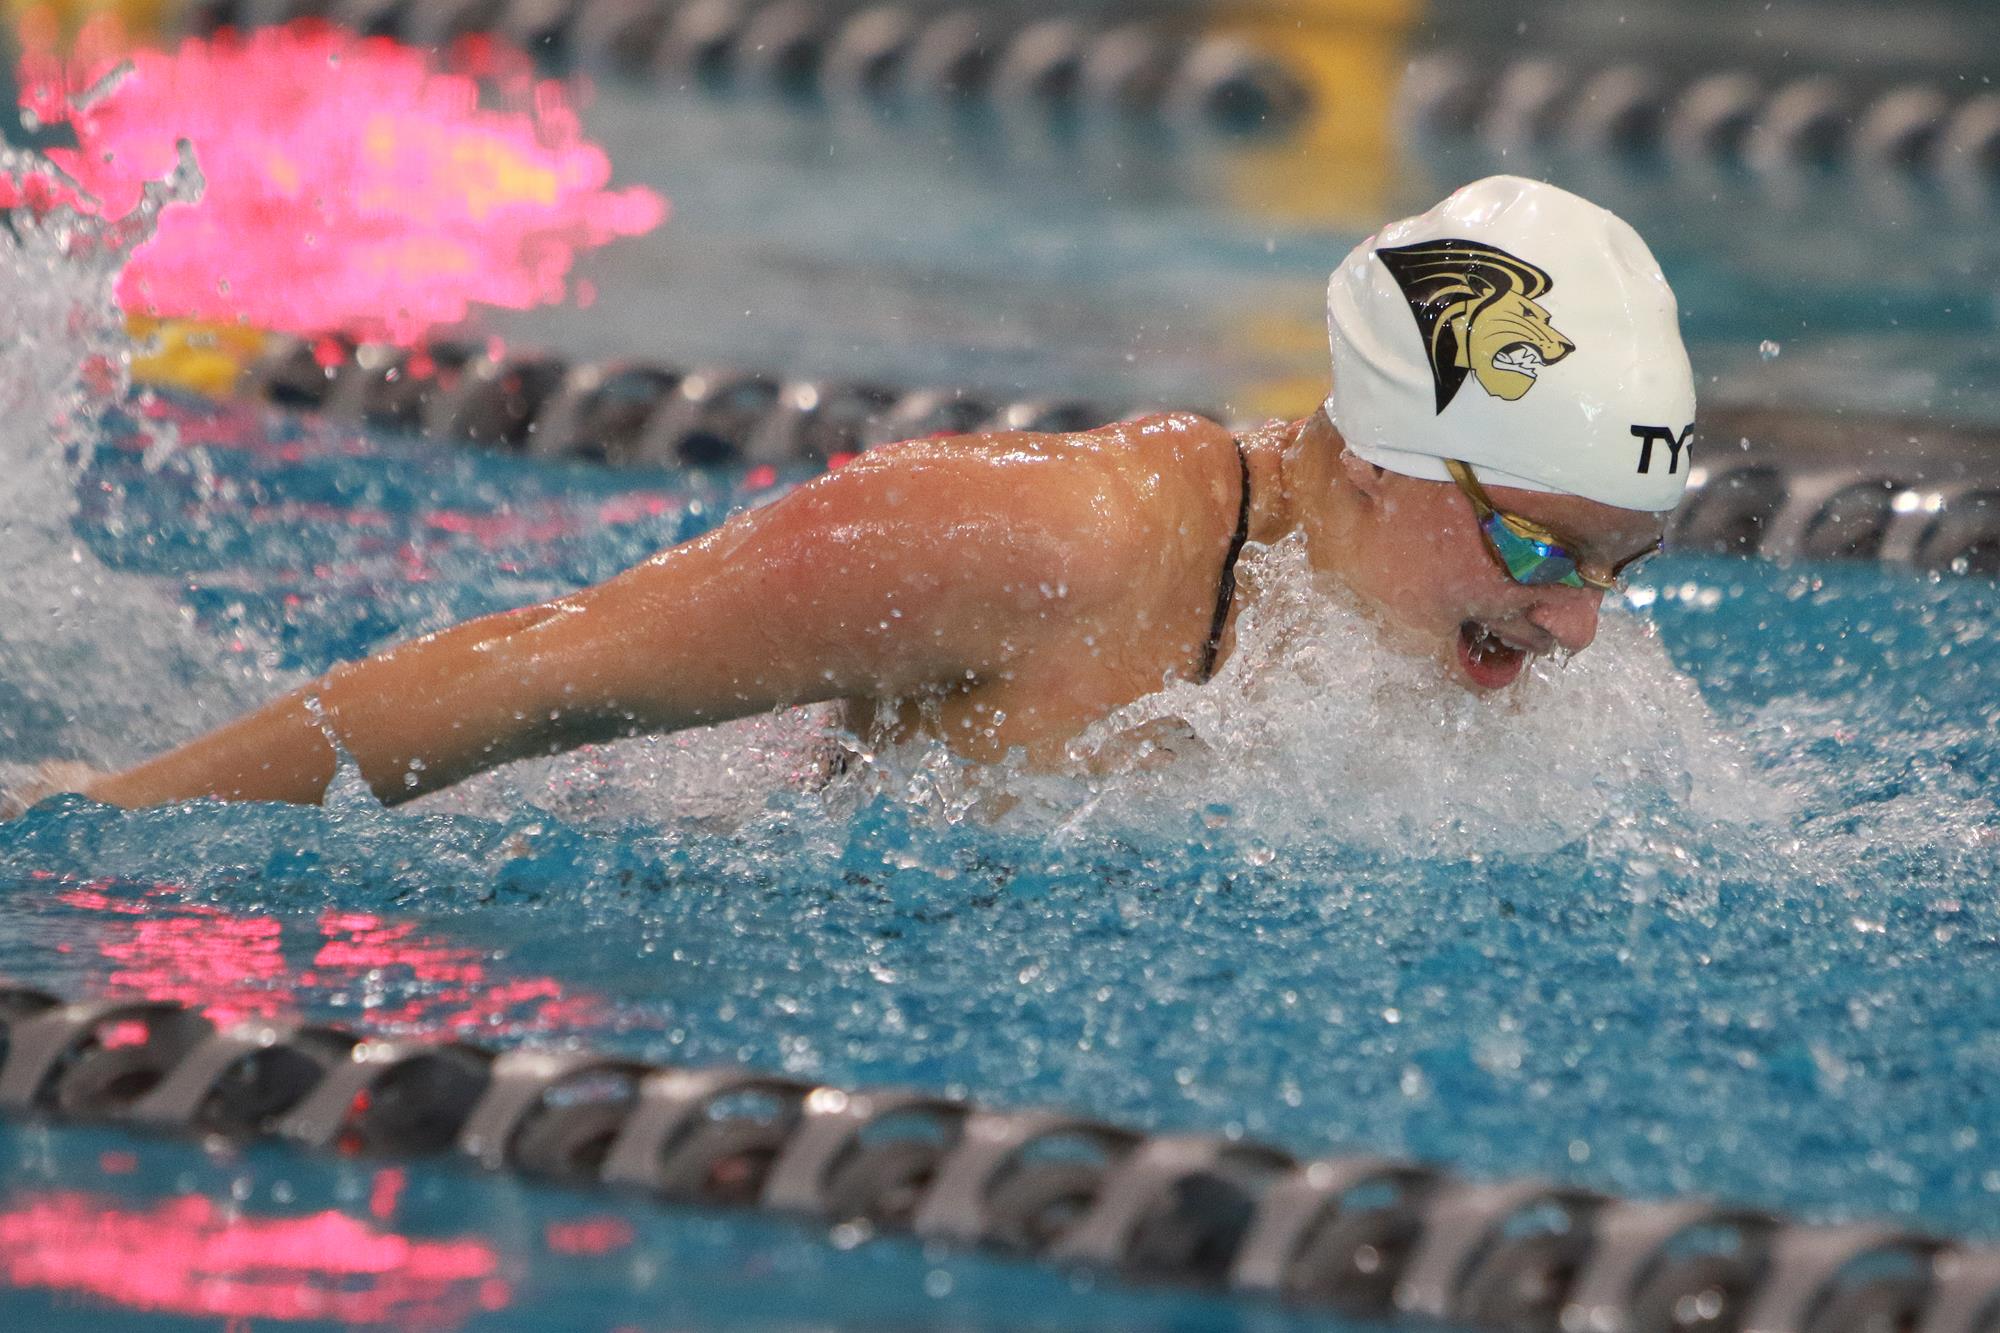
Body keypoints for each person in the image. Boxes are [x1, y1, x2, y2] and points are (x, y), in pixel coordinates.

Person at [7, 175, 1695, 815]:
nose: (1574, 623)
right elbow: (545, 674)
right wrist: (108, 827)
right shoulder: (1040, 543)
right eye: (1542, 543)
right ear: (1390, 445)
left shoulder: (1457, 633)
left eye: (1625, 563)